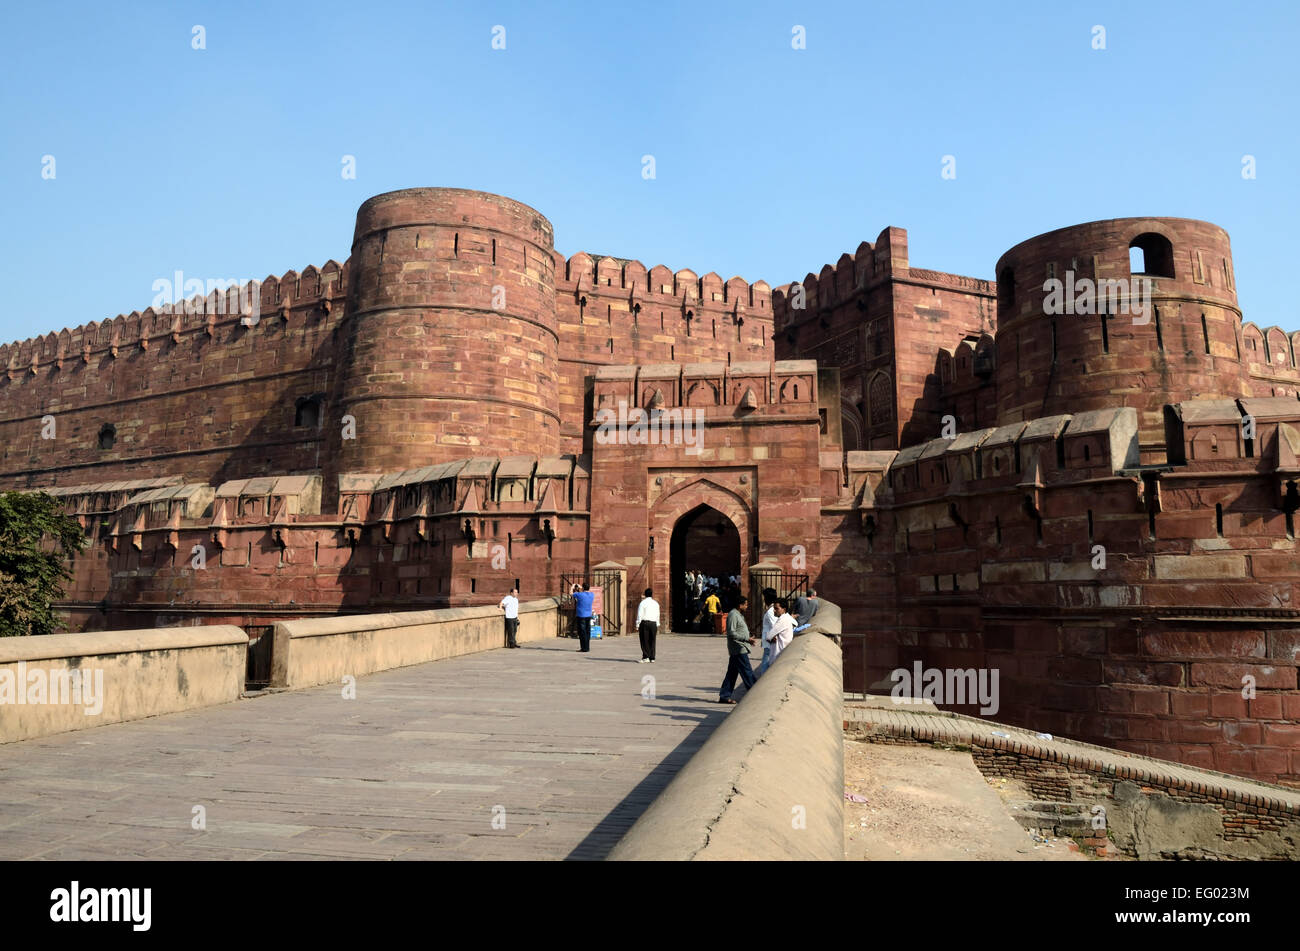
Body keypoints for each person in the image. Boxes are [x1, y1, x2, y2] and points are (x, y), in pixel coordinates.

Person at [718, 595, 756, 703]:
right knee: (747, 672)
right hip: (738, 648)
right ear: (740, 605)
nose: (747, 606)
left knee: (732, 673)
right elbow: (731, 633)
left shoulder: (738, 614)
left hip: (739, 647)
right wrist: (746, 639)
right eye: (746, 604)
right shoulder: (733, 615)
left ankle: (724, 695)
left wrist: (748, 638)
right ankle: (755, 694)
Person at [766, 598, 796, 666]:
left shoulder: (783, 620)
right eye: (774, 608)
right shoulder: (787, 618)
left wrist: (771, 636)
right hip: (782, 654)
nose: (774, 610)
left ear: (784, 609)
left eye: (776, 608)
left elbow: (768, 637)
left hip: (778, 655)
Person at [757, 587, 778, 676]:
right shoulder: (773, 609)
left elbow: (775, 626)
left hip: (770, 642)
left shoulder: (770, 611)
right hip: (770, 642)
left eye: (765, 597)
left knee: (765, 665)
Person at [636, 587, 659, 663]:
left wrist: (637, 624)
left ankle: (646, 656)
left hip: (645, 623)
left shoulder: (643, 603)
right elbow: (657, 614)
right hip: (653, 623)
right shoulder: (656, 603)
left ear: (645, 595)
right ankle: (652, 657)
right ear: (651, 595)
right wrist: (657, 623)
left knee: (644, 640)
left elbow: (640, 614)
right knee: (652, 640)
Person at [573, 583, 595, 652]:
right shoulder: (592, 594)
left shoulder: (580, 594)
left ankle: (583, 648)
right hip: (588, 615)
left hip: (581, 615)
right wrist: (580, 588)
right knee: (587, 632)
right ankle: (587, 647)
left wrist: (573, 586)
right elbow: (583, 595)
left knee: (582, 632)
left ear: (583, 588)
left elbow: (571, 593)